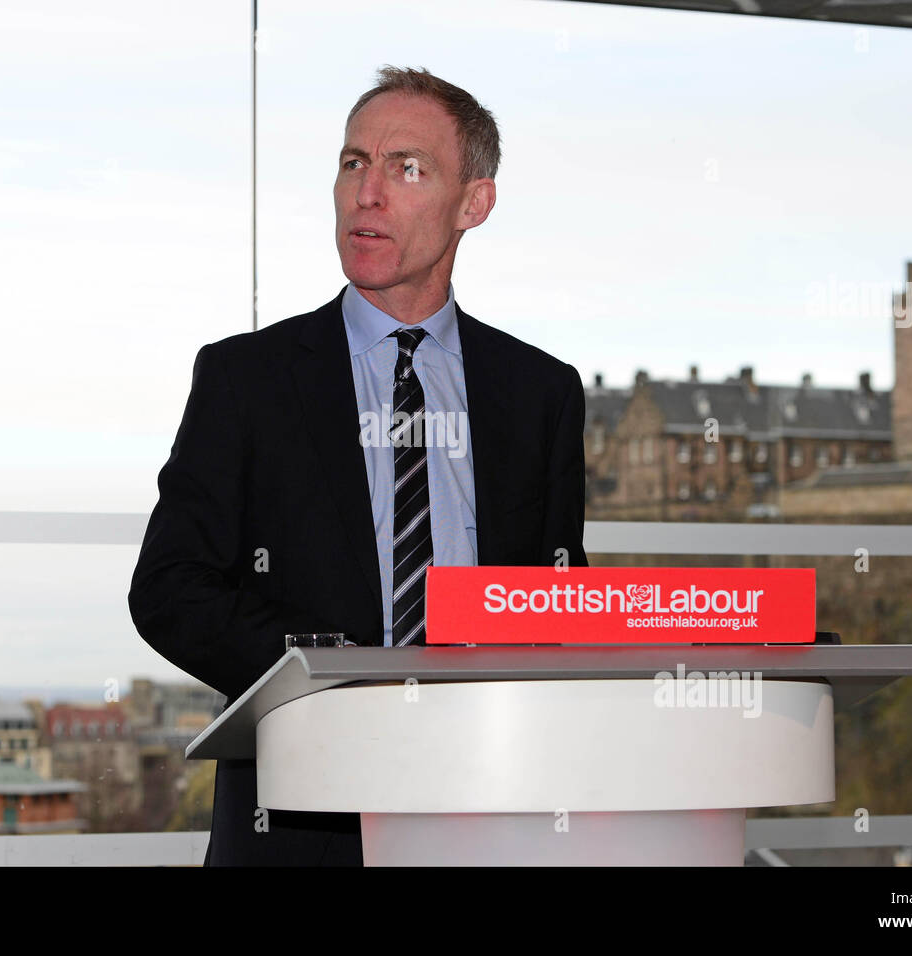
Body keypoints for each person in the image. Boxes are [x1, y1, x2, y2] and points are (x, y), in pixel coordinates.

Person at [128, 65, 588, 866]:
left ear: (472, 203)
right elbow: (169, 590)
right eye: (353, 164)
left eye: (406, 168)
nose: (365, 194)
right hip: (303, 823)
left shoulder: (540, 392)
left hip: (492, 811)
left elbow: (552, 596)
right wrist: (336, 669)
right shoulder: (248, 379)